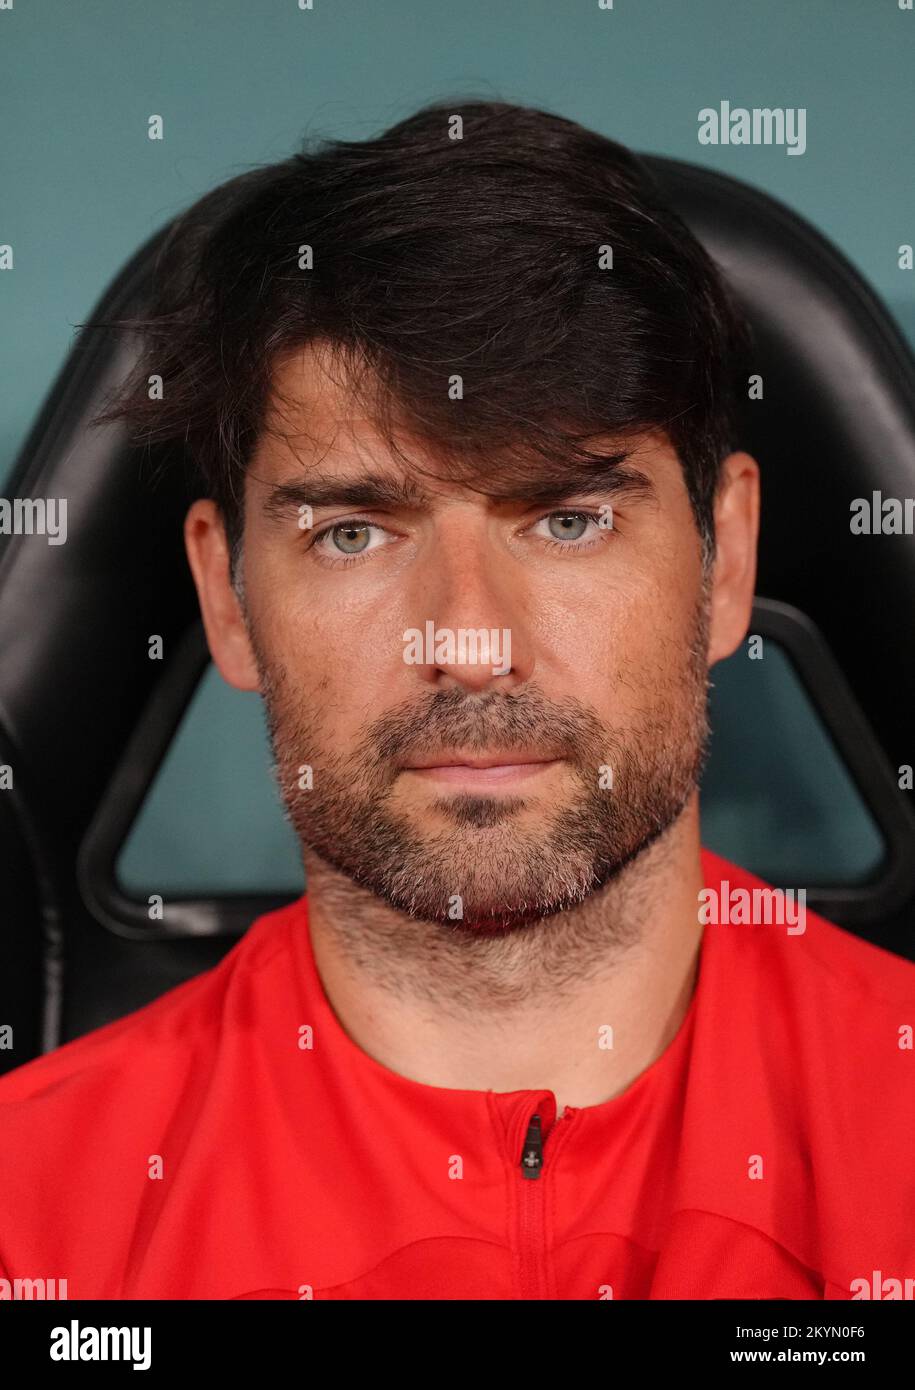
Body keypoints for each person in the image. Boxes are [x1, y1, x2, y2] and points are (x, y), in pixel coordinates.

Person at [1, 100, 913, 1302]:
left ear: (726, 559)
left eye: (570, 519)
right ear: (227, 600)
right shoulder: (32, 1217)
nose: (470, 640)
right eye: (355, 532)